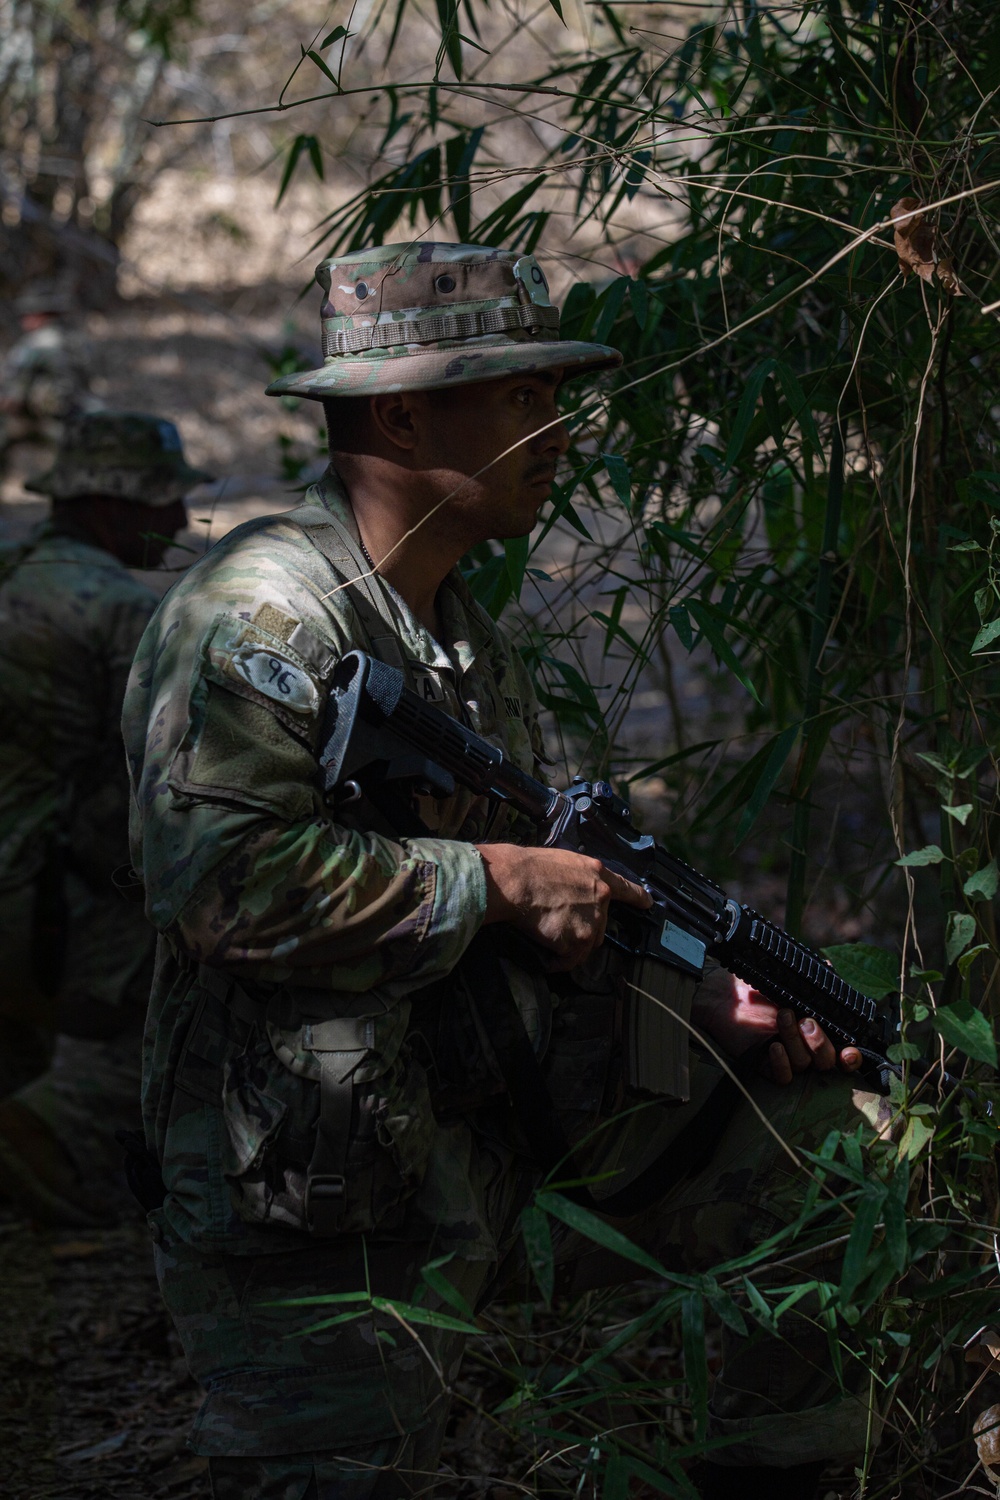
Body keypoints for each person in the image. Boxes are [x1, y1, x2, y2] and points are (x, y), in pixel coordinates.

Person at [123, 242, 876, 1500]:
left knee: (825, 1141)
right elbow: (219, 887)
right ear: (401, 414)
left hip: (480, 1138)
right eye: (522, 395)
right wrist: (499, 880)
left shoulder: (462, 635)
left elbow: (527, 914)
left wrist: (694, 1000)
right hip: (310, 1205)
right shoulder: (259, 617)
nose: (561, 429)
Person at [0, 410, 210, 1226]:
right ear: (113, 506)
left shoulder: (15, 572)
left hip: (24, 893)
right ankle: (52, 1127)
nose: (181, 521)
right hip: (36, 903)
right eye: (164, 502)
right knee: (200, 978)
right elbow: (155, 789)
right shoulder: (118, 609)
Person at [0, 279, 98, 478]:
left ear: (39, 315)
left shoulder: (35, 344)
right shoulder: (77, 341)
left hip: (47, 417)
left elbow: (12, 397)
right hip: (84, 412)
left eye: (27, 314)